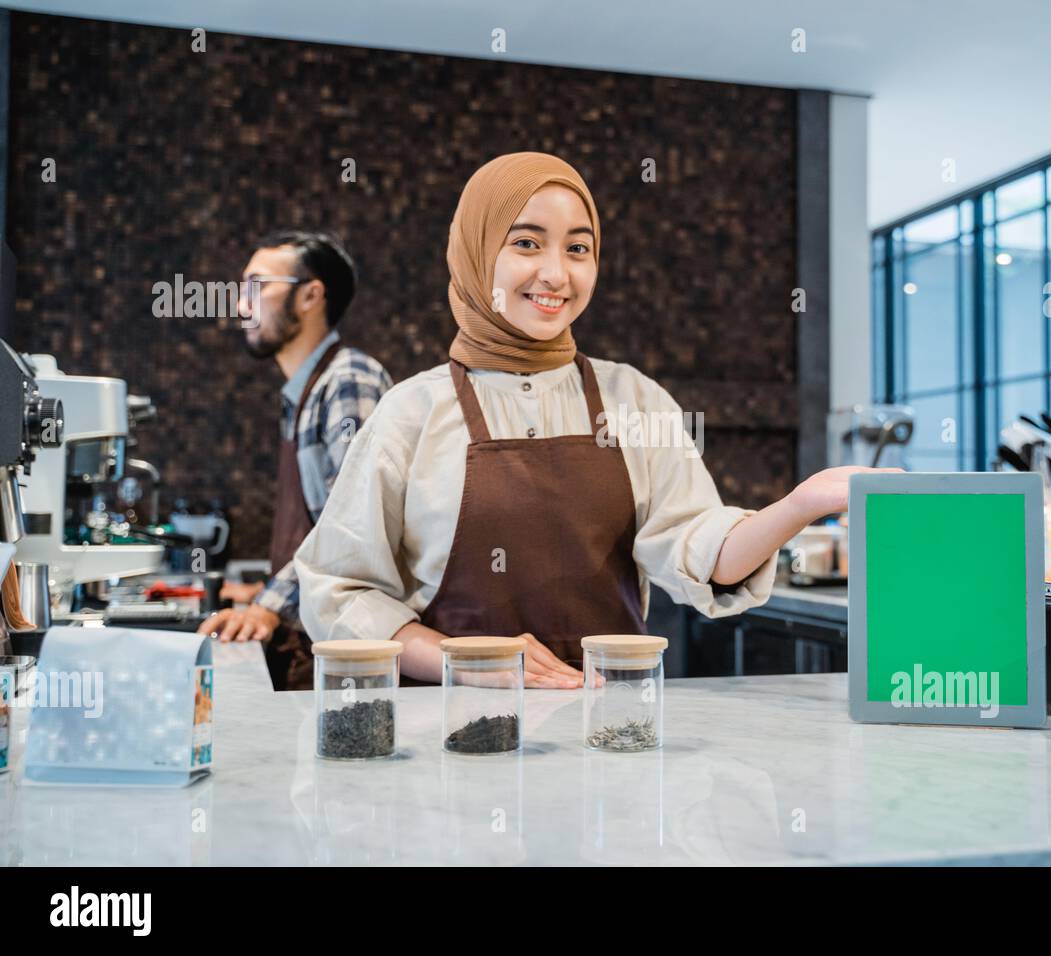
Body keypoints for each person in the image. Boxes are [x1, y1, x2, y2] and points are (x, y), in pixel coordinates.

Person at [296, 152, 876, 687]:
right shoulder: (411, 413)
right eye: (526, 243)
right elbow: (337, 593)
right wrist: (468, 661)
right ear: (475, 252)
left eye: (578, 249)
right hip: (453, 735)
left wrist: (800, 505)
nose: (556, 274)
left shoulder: (635, 400)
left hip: (610, 729)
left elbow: (699, 549)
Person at [199, 231, 392, 691]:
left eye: (257, 287)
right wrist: (265, 591)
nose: (242, 306)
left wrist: (269, 605)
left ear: (310, 295)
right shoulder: (304, 393)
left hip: (339, 653)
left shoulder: (347, 380)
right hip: (311, 634)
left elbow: (353, 526)